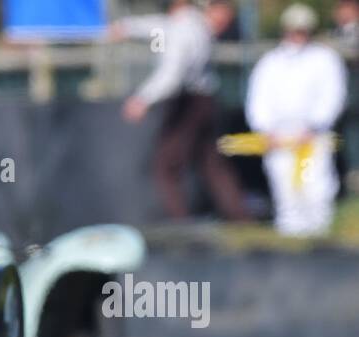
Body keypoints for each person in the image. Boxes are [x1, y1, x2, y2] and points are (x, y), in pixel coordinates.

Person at [111, 0, 247, 221]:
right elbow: (157, 27)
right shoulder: (186, 25)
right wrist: (126, 27)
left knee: (166, 166)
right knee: (211, 165)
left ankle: (181, 224)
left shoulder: (184, 28)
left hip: (190, 103)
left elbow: (171, 75)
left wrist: (142, 99)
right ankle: (241, 219)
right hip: (202, 101)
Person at [246, 4, 348, 236]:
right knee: (283, 188)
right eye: (293, 29)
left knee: (315, 188)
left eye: (302, 30)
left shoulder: (324, 59)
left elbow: (332, 96)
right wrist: (265, 130)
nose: (297, 35)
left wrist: (314, 125)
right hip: (279, 136)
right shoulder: (270, 63)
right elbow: (258, 99)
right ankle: (289, 237)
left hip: (311, 136)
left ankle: (320, 236)